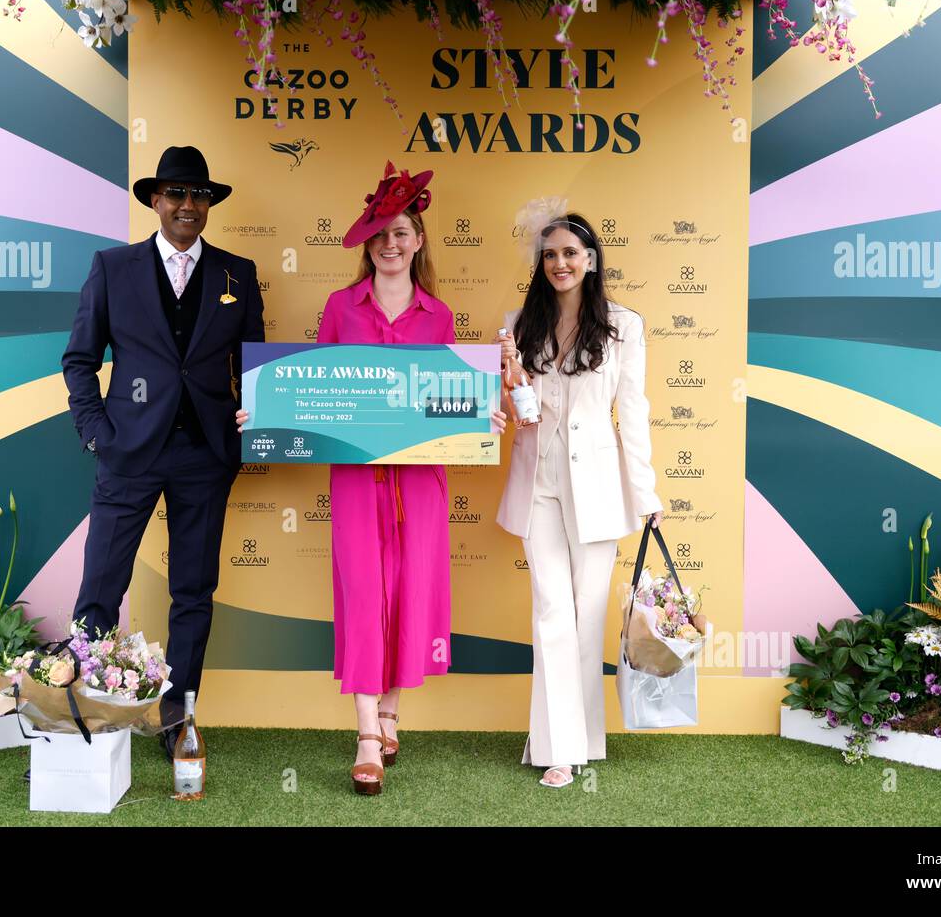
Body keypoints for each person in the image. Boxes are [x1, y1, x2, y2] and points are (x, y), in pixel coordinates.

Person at [237, 161, 505, 795]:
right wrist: (265, 408)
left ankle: (390, 712)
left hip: (419, 480)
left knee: (411, 588)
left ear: (419, 241)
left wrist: (481, 412)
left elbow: (447, 400)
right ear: (368, 242)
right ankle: (364, 733)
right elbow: (314, 387)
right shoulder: (339, 307)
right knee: (362, 589)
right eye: (382, 232)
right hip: (357, 479)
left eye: (403, 232)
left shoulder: (439, 317)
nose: (391, 243)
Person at [63, 145, 265, 763]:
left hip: (205, 454)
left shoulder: (238, 272)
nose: (187, 204)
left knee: (194, 587)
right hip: (128, 451)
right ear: (155, 201)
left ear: (208, 204)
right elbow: (79, 359)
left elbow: (253, 363)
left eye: (198, 195)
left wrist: (252, 414)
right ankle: (80, 715)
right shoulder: (112, 267)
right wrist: (97, 431)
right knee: (101, 581)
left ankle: (180, 714)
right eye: (175, 194)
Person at [494, 206, 663, 789]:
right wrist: (505, 395)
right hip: (536, 481)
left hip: (597, 485)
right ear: (539, 264)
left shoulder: (624, 326)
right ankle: (559, 748)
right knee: (551, 610)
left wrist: (645, 492)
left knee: (587, 615)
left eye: (570, 253)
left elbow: (633, 414)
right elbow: (512, 413)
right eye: (550, 254)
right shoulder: (516, 324)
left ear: (590, 259)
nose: (560, 263)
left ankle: (584, 736)